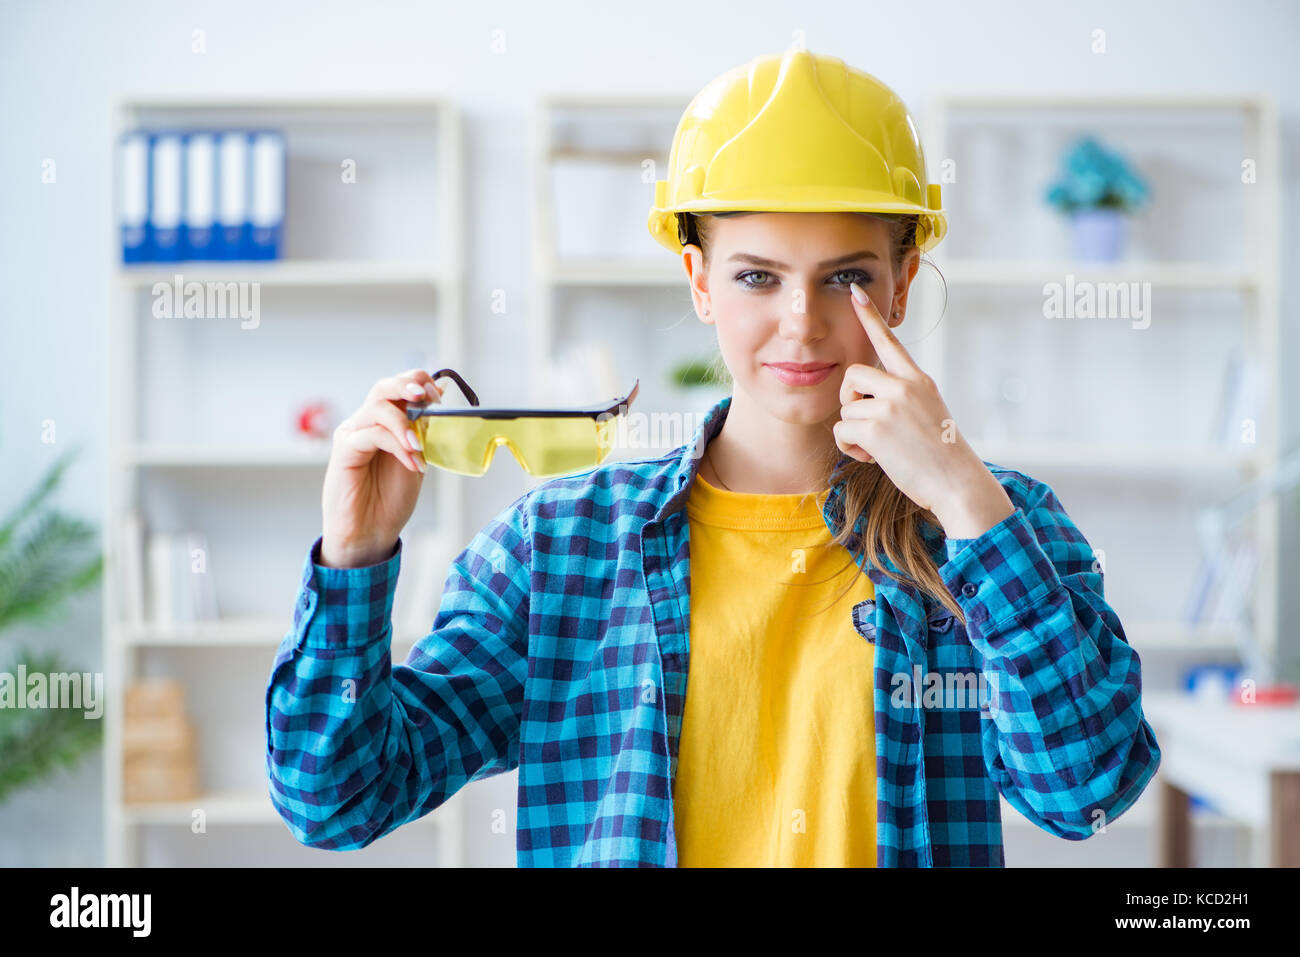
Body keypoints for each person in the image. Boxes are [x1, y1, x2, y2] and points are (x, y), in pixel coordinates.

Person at [265, 47, 1161, 867]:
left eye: (845, 276)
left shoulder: (997, 529)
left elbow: (1085, 791)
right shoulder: (562, 548)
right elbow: (338, 798)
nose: (801, 322)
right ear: (699, 281)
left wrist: (965, 497)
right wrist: (353, 558)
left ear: (904, 280)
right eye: (756, 276)